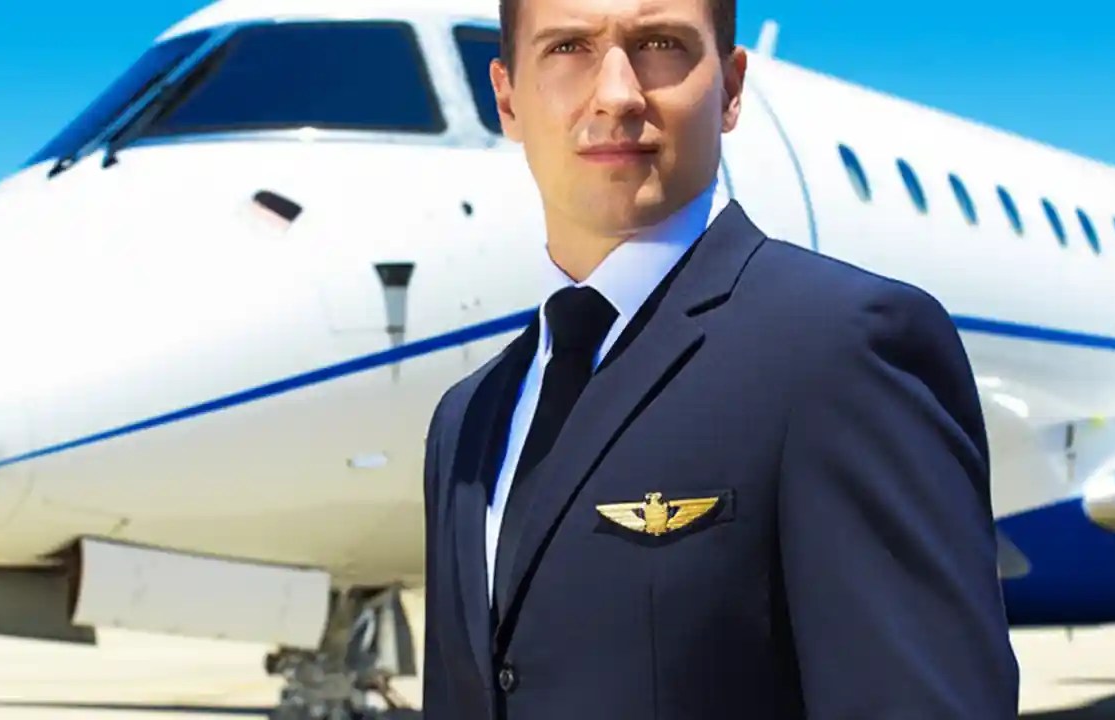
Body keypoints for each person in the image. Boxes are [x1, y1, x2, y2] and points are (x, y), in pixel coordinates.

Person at [420, 0, 1020, 717]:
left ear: (732, 90)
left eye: (660, 44)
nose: (617, 93)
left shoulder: (842, 349)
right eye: (569, 47)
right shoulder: (467, 418)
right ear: (508, 98)